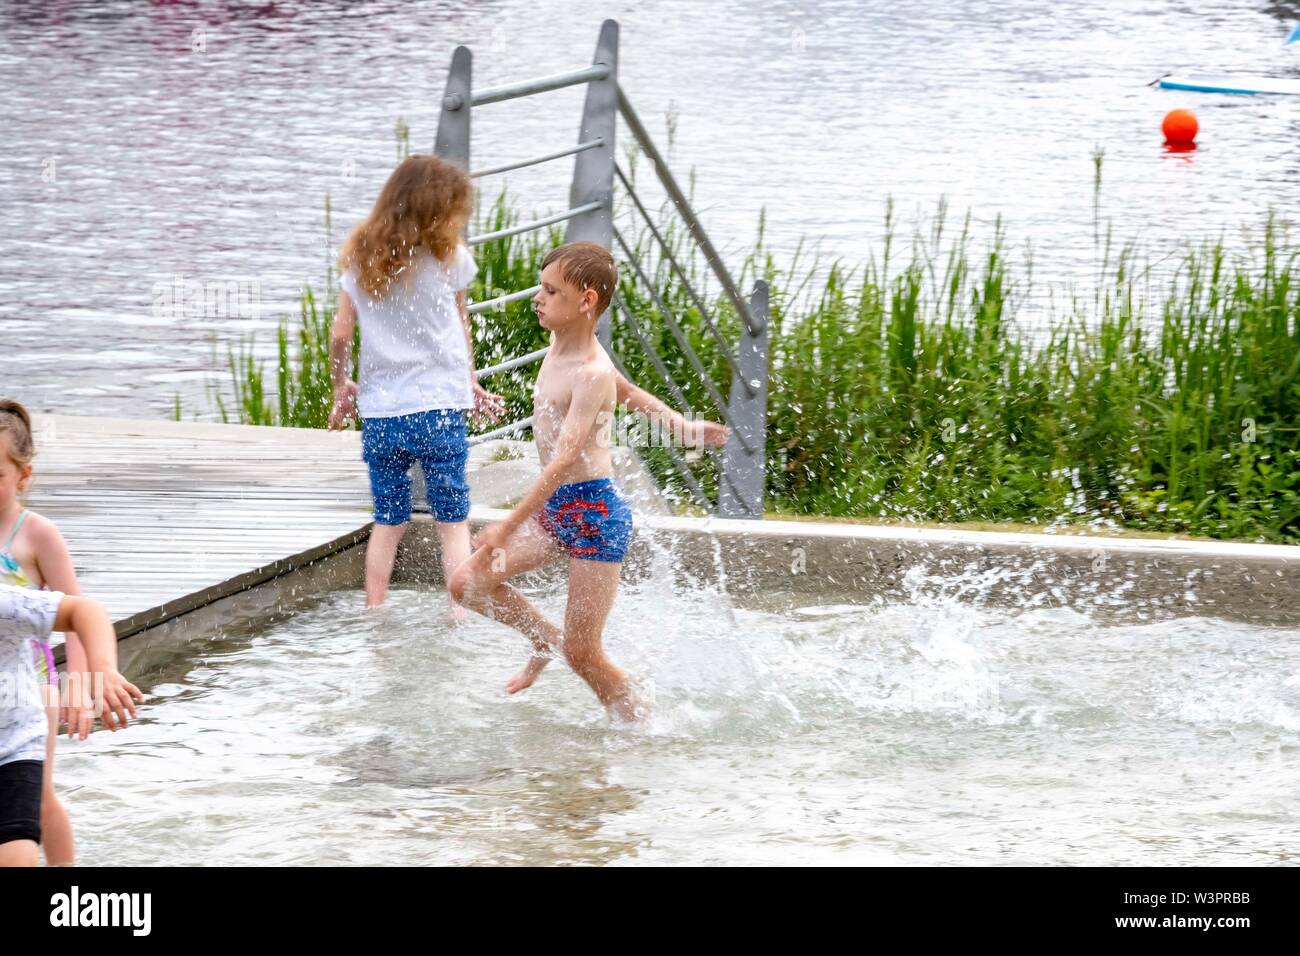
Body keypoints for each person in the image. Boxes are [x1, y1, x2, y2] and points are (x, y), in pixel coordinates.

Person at [449, 241, 729, 721]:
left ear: (587, 301)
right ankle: (541, 637)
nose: (538, 297)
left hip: (595, 514)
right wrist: (677, 425)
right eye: (541, 286)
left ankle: (643, 729)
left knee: (584, 653)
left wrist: (508, 526)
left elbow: (562, 461)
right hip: (560, 509)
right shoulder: (562, 345)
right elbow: (629, 389)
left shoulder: (590, 370)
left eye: (551, 291)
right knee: (468, 583)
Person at [328, 154, 504, 610]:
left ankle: (374, 611)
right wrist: (470, 381)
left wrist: (341, 386)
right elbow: (461, 324)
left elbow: (340, 334)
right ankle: (459, 616)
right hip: (440, 407)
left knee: (388, 520)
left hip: (382, 412)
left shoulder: (359, 260)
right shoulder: (450, 259)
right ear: (443, 210)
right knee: (452, 521)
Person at [0, 399, 92, 864]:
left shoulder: (36, 534)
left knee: (38, 794)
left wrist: (78, 684)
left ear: (23, 475)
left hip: (37, 685)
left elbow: (75, 613)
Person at [0, 582, 141, 867]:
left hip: (12, 748)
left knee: (17, 856)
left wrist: (103, 669)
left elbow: (85, 609)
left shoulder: (5, 603)